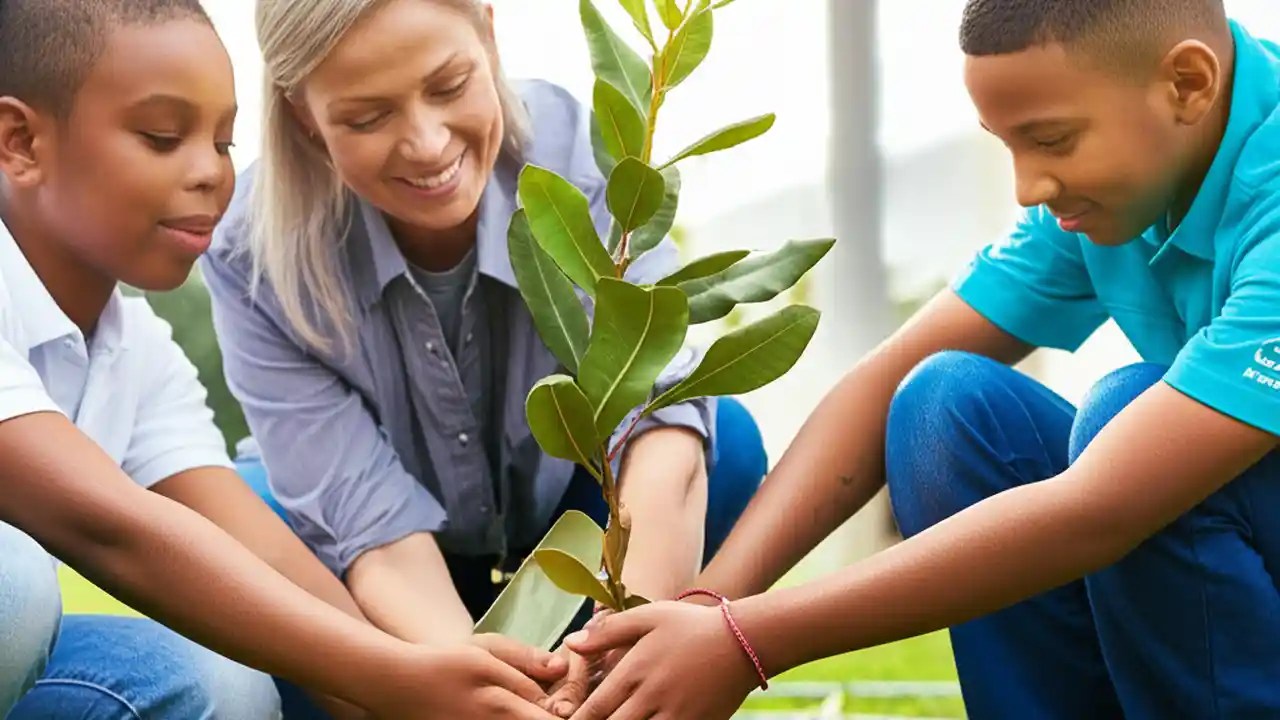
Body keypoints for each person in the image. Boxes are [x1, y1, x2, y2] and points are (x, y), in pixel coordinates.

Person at [564, 1, 1280, 718]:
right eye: (1008, 145)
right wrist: (703, 606)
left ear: (1188, 82)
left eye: (1051, 140)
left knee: (1129, 420)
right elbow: (882, 385)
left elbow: (1106, 505)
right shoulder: (1120, 176)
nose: (1028, 187)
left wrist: (743, 641)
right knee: (944, 407)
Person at [0, 1, 568, 718]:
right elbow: (111, 528)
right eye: (163, 136)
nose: (211, 174)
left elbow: (256, 554)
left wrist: (425, 685)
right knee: (10, 582)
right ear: (19, 141)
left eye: (224, 143)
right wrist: (398, 679)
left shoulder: (133, 348)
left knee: (232, 688)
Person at [202, 0, 768, 717]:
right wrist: (482, 693)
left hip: (571, 550)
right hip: (379, 585)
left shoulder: (579, 155)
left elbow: (657, 402)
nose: (427, 144)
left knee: (724, 443)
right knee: (243, 520)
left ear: (489, 36)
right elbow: (364, 520)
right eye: (367, 118)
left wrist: (622, 656)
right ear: (304, 115)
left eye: (447, 86)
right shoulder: (254, 252)